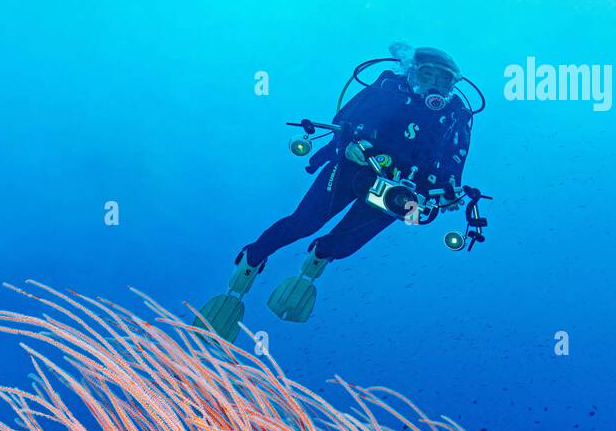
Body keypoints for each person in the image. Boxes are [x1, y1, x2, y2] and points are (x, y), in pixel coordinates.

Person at [200, 45, 477, 339]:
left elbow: (455, 158)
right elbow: (345, 119)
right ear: (412, 72)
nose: (435, 84)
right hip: (353, 167)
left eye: (444, 79)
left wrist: (448, 191)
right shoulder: (389, 86)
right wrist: (347, 145)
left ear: (453, 84)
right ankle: (247, 268)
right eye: (428, 74)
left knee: (345, 244)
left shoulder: (458, 114)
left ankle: (313, 266)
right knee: (305, 222)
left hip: (399, 188)